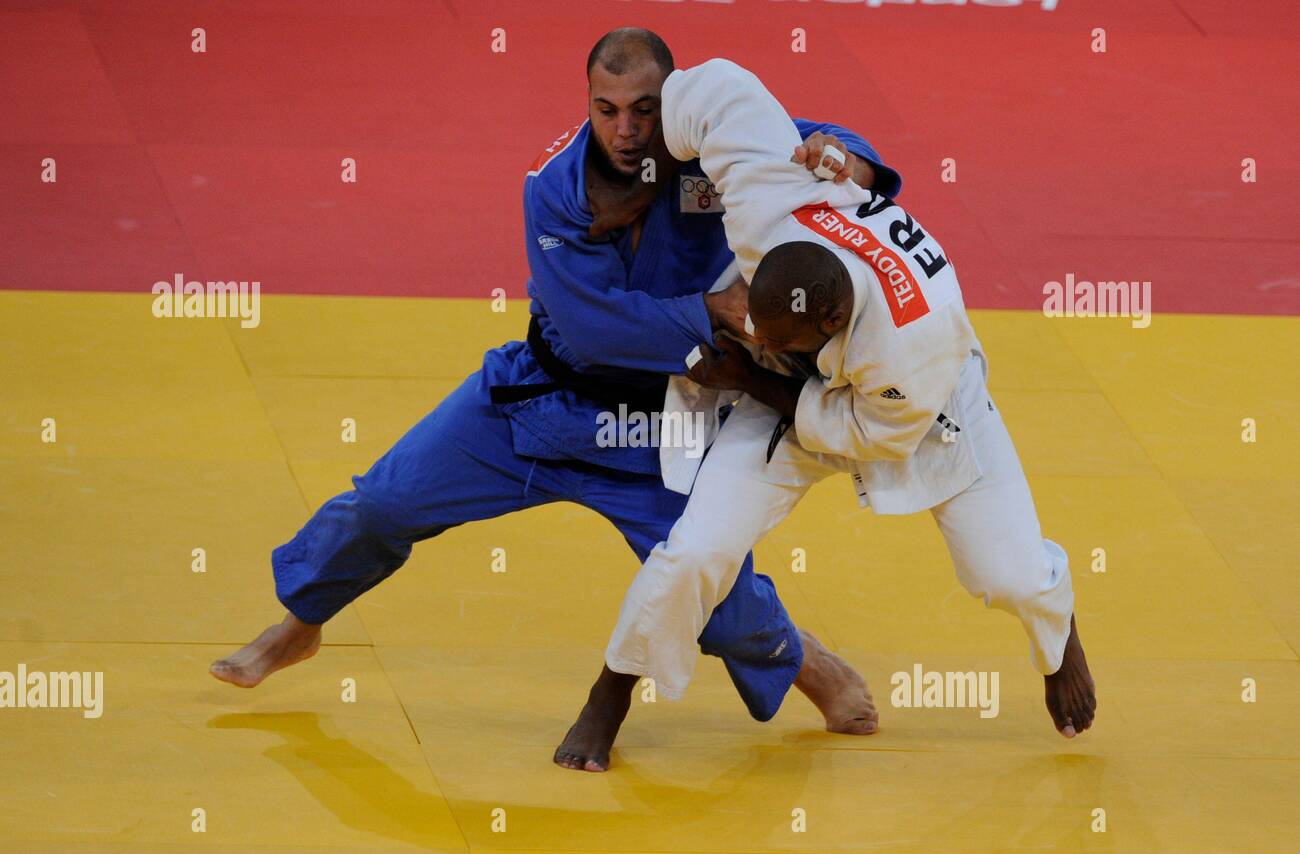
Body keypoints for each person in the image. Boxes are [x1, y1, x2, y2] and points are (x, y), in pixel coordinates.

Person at [210, 29, 904, 770]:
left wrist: (848, 154)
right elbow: (593, 328)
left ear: (675, 102)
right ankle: (303, 620)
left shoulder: (713, 150)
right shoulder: (557, 187)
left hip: (657, 425)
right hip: (534, 402)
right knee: (382, 504)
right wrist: (714, 308)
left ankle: (808, 663)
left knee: (721, 603)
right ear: (588, 105)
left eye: (644, 108)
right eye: (606, 110)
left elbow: (800, 142)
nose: (627, 130)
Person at [600, 58, 1097, 738]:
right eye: (754, 319)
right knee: (695, 548)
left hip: (923, 413)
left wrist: (749, 377)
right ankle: (612, 692)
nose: (750, 329)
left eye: (771, 333)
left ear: (829, 326)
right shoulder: (768, 202)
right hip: (789, 388)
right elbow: (711, 89)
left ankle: (1057, 627)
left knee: (1007, 577)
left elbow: (876, 435)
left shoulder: (910, 349)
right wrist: (646, 168)